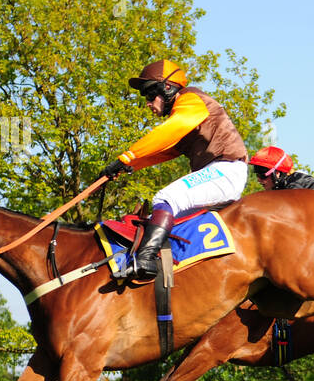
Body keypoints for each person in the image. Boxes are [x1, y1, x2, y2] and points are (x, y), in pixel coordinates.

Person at [100, 60, 249, 280]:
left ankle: (146, 260)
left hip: (226, 170)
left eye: (150, 95)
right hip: (219, 172)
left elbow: (169, 131)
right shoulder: (181, 115)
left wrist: (129, 155)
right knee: (155, 219)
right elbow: (165, 152)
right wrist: (127, 166)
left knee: (166, 197)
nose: (148, 103)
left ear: (167, 88)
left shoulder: (191, 101)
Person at [248, 146, 314, 202]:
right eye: (257, 175)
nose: (258, 180)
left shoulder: (295, 184)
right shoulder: (280, 186)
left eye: (262, 175)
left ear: (277, 173)